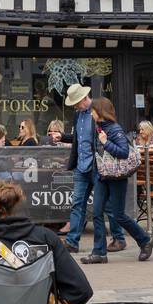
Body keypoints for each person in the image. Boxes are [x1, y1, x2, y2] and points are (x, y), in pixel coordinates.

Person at [79, 98, 153, 264]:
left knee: (118, 215)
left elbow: (123, 153)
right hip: (102, 175)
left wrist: (106, 143)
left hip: (117, 177)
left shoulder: (115, 129)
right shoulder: (98, 127)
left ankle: (145, 240)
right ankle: (99, 252)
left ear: (99, 112)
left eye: (93, 110)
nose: (91, 113)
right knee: (97, 212)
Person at [62, 83, 97, 253]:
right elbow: (77, 139)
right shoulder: (78, 115)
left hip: (97, 166)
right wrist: (62, 137)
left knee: (107, 205)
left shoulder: (98, 111)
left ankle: (118, 238)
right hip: (81, 167)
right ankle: (72, 242)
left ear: (84, 98)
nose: (75, 106)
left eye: (76, 102)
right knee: (77, 204)